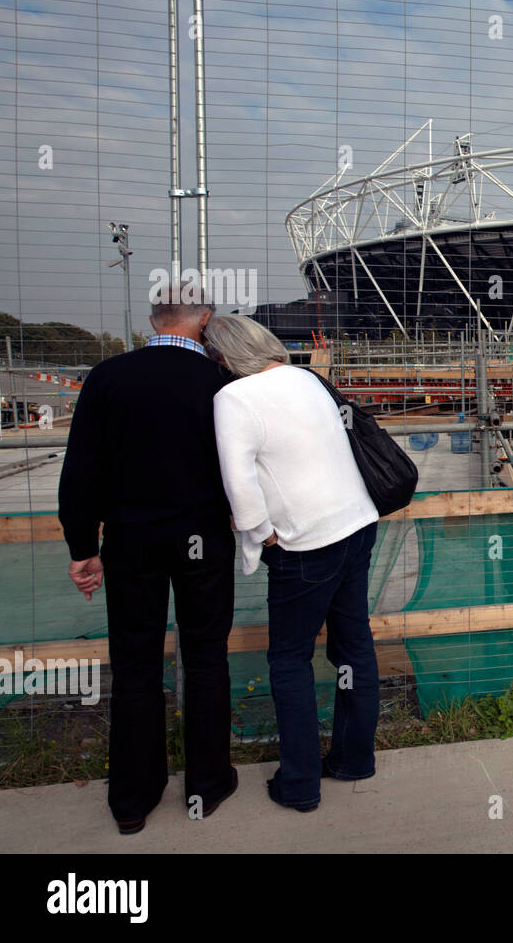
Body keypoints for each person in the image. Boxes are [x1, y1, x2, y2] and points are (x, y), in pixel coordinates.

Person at [59, 283, 238, 835]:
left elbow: (81, 471)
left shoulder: (108, 377)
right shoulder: (222, 382)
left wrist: (83, 548)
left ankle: (133, 800)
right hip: (203, 540)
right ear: (204, 319)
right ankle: (207, 785)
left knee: (135, 666)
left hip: (132, 541)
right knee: (206, 657)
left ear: (155, 319)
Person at [203, 314, 380, 812]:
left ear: (222, 358)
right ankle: (353, 759)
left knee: (288, 661)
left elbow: (237, 481)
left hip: (305, 543)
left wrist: (263, 535)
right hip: (356, 522)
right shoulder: (306, 378)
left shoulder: (232, 399)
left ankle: (300, 784)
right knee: (353, 646)